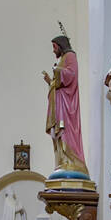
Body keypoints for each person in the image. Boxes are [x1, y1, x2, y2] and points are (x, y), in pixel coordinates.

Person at [44, 31, 87, 174]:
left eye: (55, 47)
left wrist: (57, 70)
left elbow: (71, 75)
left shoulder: (70, 56)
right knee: (57, 135)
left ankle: (71, 161)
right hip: (59, 103)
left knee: (65, 132)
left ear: (61, 46)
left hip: (67, 105)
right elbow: (58, 84)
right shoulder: (63, 58)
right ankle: (62, 162)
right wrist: (50, 82)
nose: (53, 50)